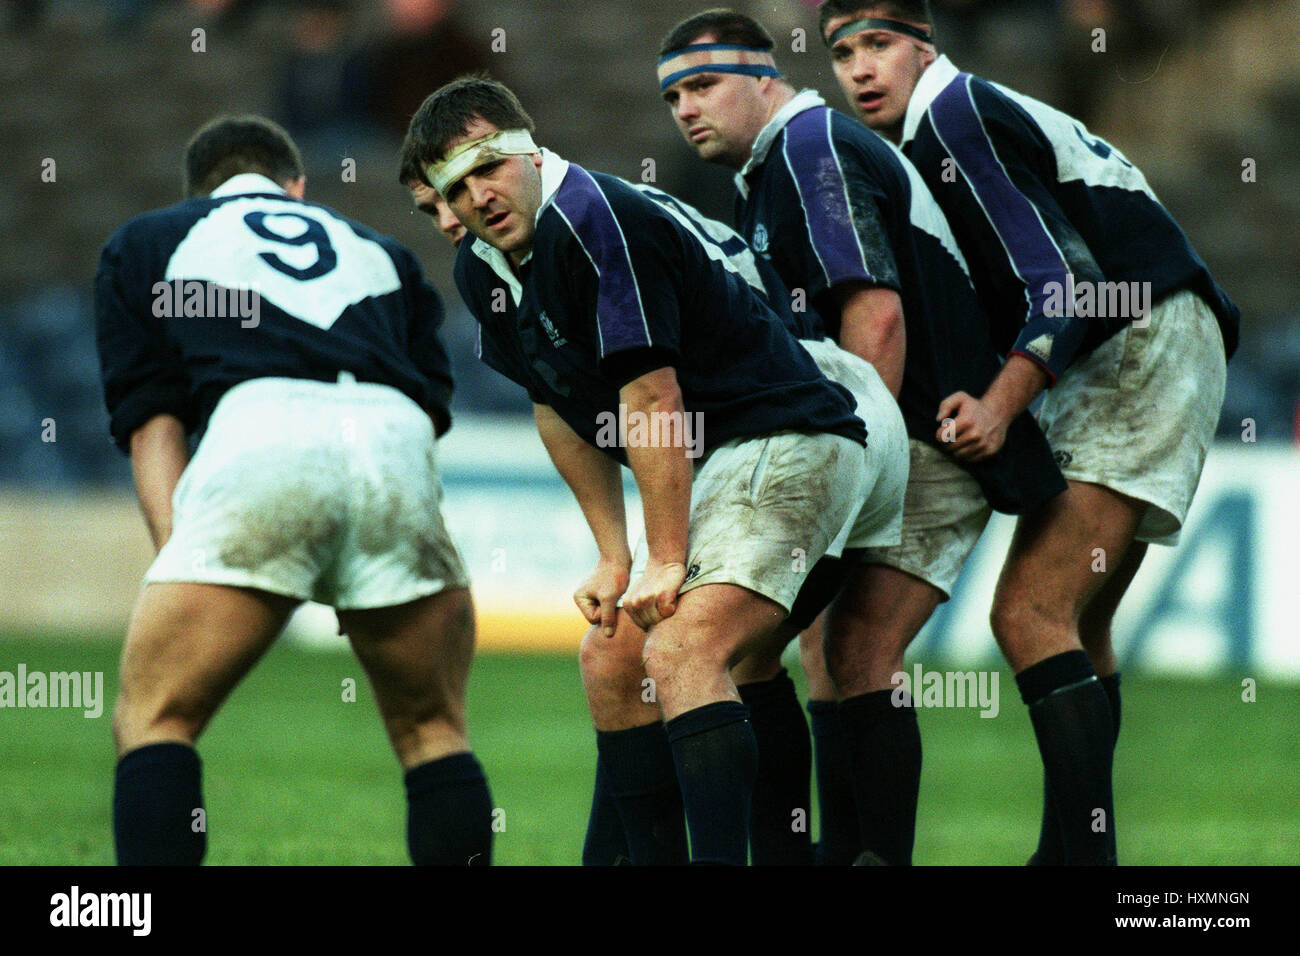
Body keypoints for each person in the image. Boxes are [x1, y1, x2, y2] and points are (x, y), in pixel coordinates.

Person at [401, 75, 906, 866]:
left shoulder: (597, 218)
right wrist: (613, 553)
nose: (477, 197)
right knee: (612, 660)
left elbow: (651, 394)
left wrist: (664, 554)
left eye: (489, 167)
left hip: (798, 431)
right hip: (728, 453)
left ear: (530, 150)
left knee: (681, 651)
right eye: (453, 189)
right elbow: (557, 406)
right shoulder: (485, 269)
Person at [818, 0, 1240, 864]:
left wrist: (1000, 404)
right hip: (1162, 332)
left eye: (879, 44)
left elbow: (1066, 278)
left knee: (1027, 612)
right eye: (841, 52)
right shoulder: (960, 116)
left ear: (925, 45)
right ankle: (1083, 851)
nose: (861, 69)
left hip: (1140, 334)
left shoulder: (951, 114)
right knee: (1077, 624)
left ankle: (1078, 860)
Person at [655, 8, 1065, 866]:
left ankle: (866, 857)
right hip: (897, 429)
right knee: (803, 647)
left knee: (854, 645)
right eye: (673, 96)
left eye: (704, 85)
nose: (686, 109)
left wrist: (847, 461)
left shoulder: (812, 145)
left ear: (764, 78)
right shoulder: (778, 163)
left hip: (921, 431)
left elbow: (874, 314)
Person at [95, 114, 492, 866]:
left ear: (201, 192)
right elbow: (428, 404)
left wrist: (180, 558)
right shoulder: (381, 248)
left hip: (263, 429)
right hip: (393, 446)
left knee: (154, 719)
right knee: (434, 730)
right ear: (297, 187)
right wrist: (360, 554)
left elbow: (153, 423)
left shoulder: (149, 240)